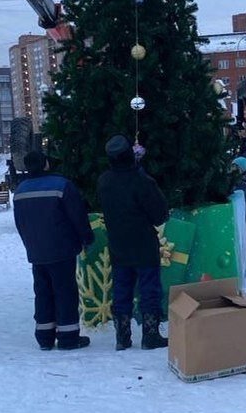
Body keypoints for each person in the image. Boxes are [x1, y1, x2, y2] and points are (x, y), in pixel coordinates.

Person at [13, 150, 94, 350]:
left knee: (42, 293)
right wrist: (86, 238)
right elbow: (77, 215)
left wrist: (30, 244)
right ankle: (68, 338)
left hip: (36, 251)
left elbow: (20, 223)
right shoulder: (62, 185)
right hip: (62, 249)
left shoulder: (20, 190)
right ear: (45, 164)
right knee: (65, 292)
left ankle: (45, 337)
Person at [97, 135, 169, 351]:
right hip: (144, 244)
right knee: (149, 289)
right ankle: (150, 335)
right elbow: (160, 214)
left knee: (121, 289)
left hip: (118, 244)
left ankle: (123, 337)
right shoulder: (141, 181)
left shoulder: (104, 181)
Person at [232, 156, 246, 274]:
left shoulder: (242, 182)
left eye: (235, 166)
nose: (233, 169)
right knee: (245, 237)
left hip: (244, 215)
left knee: (244, 237)